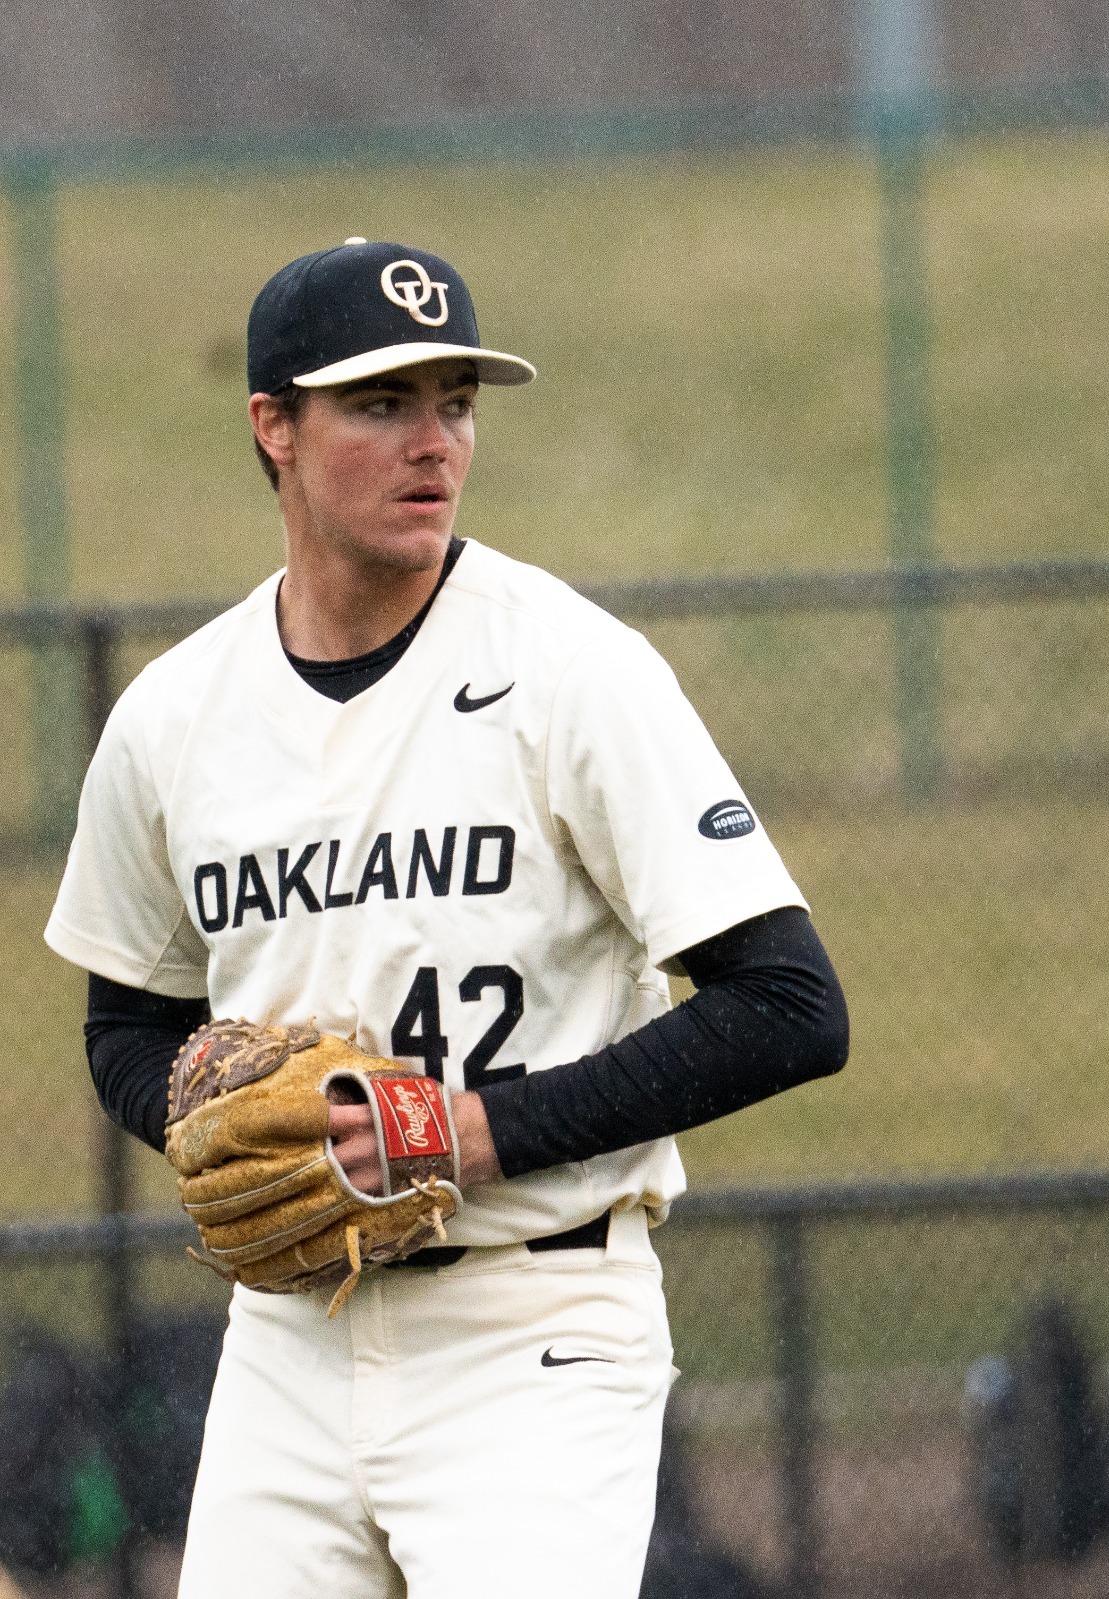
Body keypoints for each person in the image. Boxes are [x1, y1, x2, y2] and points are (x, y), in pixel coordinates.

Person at [43, 238, 848, 1598]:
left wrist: (467, 1129)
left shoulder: (570, 673)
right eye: (381, 403)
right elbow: (127, 1022)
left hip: (531, 1323)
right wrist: (204, 1104)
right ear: (273, 427)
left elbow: (791, 1009)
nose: (434, 443)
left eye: (455, 403)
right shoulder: (173, 721)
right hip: (289, 1337)